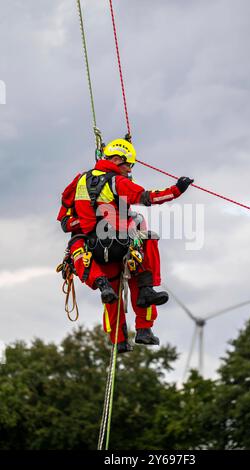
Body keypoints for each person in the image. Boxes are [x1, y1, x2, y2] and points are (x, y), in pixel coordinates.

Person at [57, 138, 193, 352]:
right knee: (146, 248)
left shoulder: (79, 181)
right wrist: (177, 189)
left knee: (111, 292)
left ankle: (119, 341)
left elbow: (65, 219)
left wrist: (86, 220)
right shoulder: (118, 182)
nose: (130, 170)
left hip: (93, 248)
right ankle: (144, 327)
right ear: (119, 160)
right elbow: (148, 198)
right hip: (119, 243)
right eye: (129, 164)